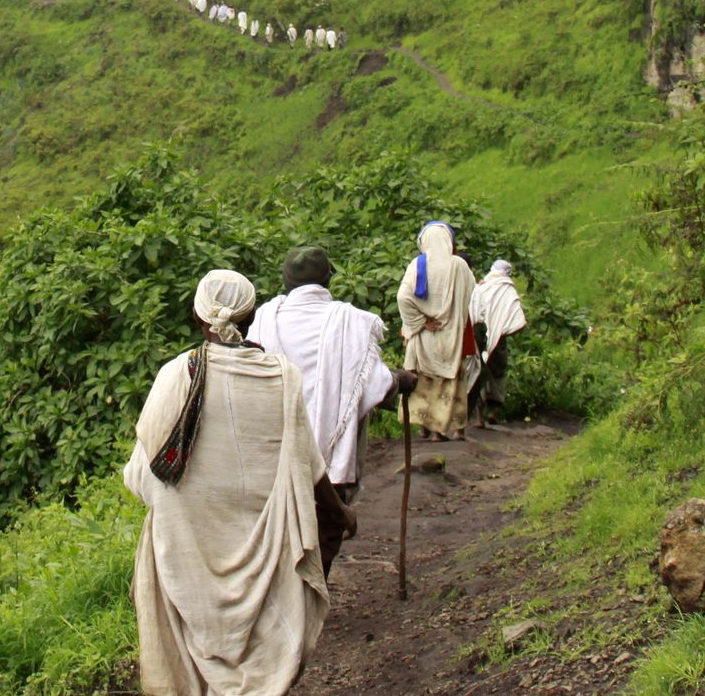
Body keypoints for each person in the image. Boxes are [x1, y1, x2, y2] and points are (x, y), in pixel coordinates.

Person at [127, 269, 348, 696]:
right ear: (249, 319)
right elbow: (309, 468)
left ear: (198, 317)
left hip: (189, 556)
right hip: (268, 556)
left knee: (195, 664)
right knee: (266, 657)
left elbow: (142, 477)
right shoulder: (281, 377)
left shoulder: (177, 375)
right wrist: (340, 514)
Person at [249, 247, 415, 578]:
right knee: (325, 534)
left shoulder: (263, 321)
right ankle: (310, 600)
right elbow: (373, 385)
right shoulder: (351, 321)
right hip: (330, 460)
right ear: (328, 279)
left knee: (278, 536)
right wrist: (400, 381)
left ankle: (285, 607)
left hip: (273, 459)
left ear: (285, 281)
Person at [396, 222, 477, 441]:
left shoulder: (417, 265)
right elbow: (472, 293)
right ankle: (442, 431)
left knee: (425, 382)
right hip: (451, 337)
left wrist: (421, 321)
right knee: (450, 385)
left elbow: (403, 298)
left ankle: (425, 429)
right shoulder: (459, 265)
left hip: (425, 337)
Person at [468, 258, 526, 429]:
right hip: (498, 340)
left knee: (478, 371)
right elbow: (516, 317)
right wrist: (502, 329)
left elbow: (473, 309)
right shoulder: (509, 290)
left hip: (479, 336)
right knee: (497, 374)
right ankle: (492, 412)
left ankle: (478, 417)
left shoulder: (481, 286)